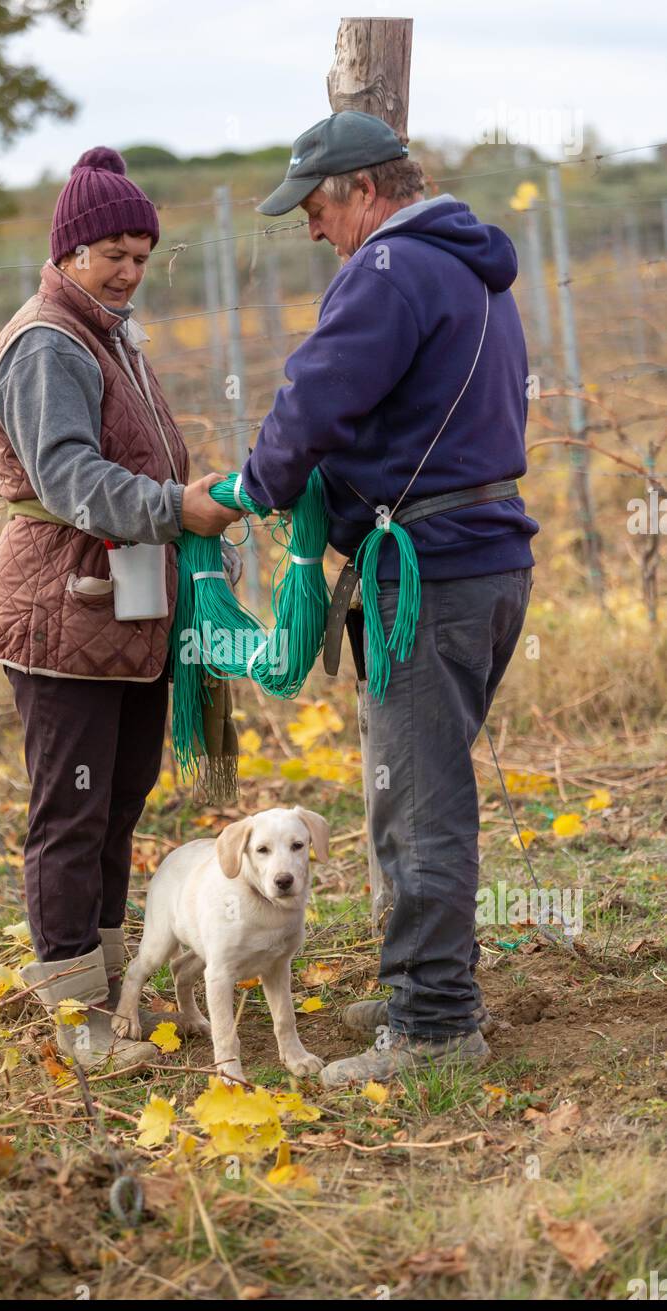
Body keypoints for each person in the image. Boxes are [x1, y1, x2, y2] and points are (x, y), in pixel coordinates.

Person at [239, 111, 539, 1086]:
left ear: (364, 191)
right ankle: (422, 982)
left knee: (418, 805)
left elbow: (315, 398)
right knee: (408, 789)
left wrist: (253, 489)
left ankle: (436, 1026)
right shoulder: (466, 266)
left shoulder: (386, 270)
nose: (313, 232)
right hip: (479, 558)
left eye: (316, 209)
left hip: (432, 571)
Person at [0, 146, 239, 1073]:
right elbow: (72, 477)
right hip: (63, 611)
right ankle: (74, 1021)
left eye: (141, 252)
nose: (129, 270)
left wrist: (194, 508)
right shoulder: (49, 342)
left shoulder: (109, 331)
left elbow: (147, 461)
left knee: (117, 803)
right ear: (70, 250)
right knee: (71, 816)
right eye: (111, 253)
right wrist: (177, 508)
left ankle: (112, 989)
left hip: (125, 613)